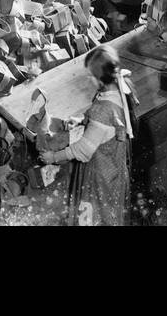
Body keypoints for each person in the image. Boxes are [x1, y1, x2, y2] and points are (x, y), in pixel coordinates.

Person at [40, 43, 140, 226]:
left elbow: (83, 150)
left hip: (100, 177)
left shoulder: (103, 111)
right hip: (114, 169)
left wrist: (53, 157)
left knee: (93, 219)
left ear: (101, 78)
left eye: (91, 76)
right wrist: (82, 122)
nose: (89, 79)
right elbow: (103, 129)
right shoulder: (116, 91)